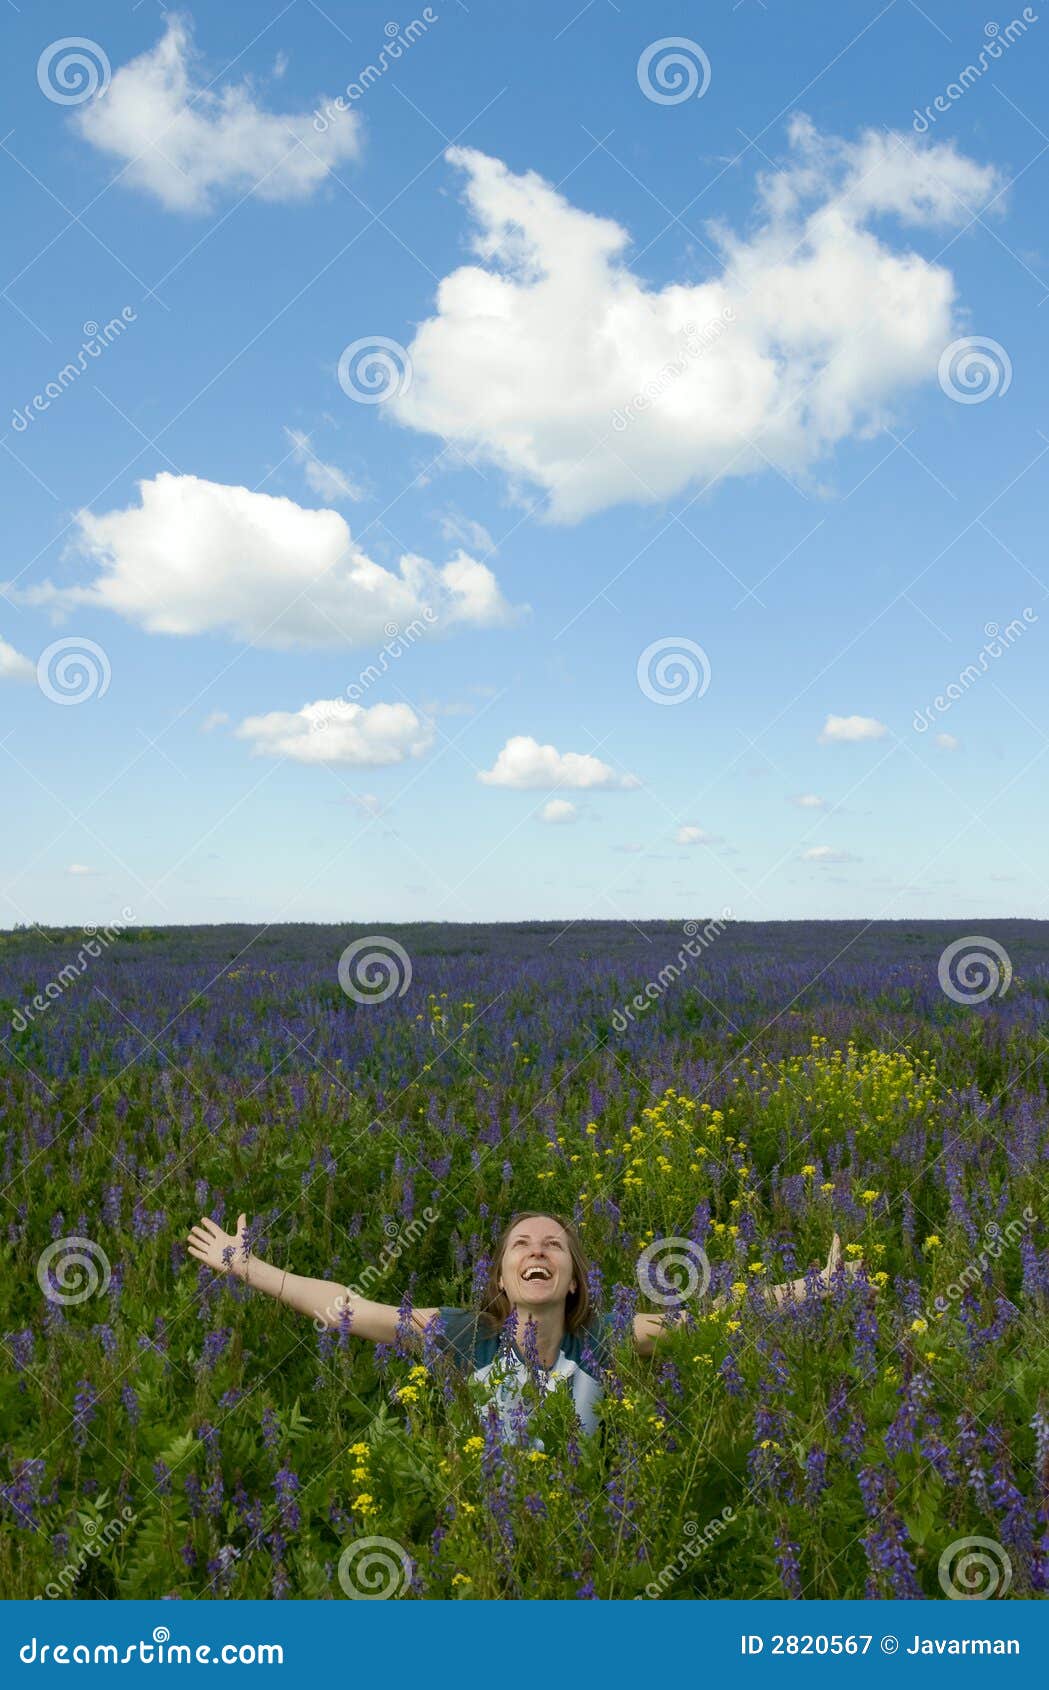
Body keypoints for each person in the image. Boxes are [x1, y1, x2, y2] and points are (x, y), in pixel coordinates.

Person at [186, 1208, 859, 1438]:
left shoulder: (604, 1339)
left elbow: (713, 1321)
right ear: (502, 1278)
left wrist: (812, 1287)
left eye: (553, 1246)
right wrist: (247, 1269)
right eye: (520, 1245)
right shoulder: (460, 1333)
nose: (536, 1251)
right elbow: (342, 1308)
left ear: (571, 1280)